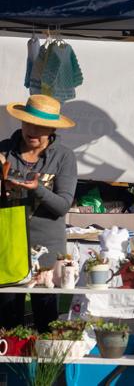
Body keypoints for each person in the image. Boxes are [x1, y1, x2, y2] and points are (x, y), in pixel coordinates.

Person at [0, 94, 78, 331]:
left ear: (52, 128)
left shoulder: (64, 156)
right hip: (7, 242)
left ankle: (46, 369)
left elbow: (62, 206)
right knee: (6, 319)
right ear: (21, 122)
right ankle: (9, 368)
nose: (34, 131)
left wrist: (38, 189)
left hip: (47, 247)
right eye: (29, 124)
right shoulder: (4, 150)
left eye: (42, 127)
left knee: (46, 321)